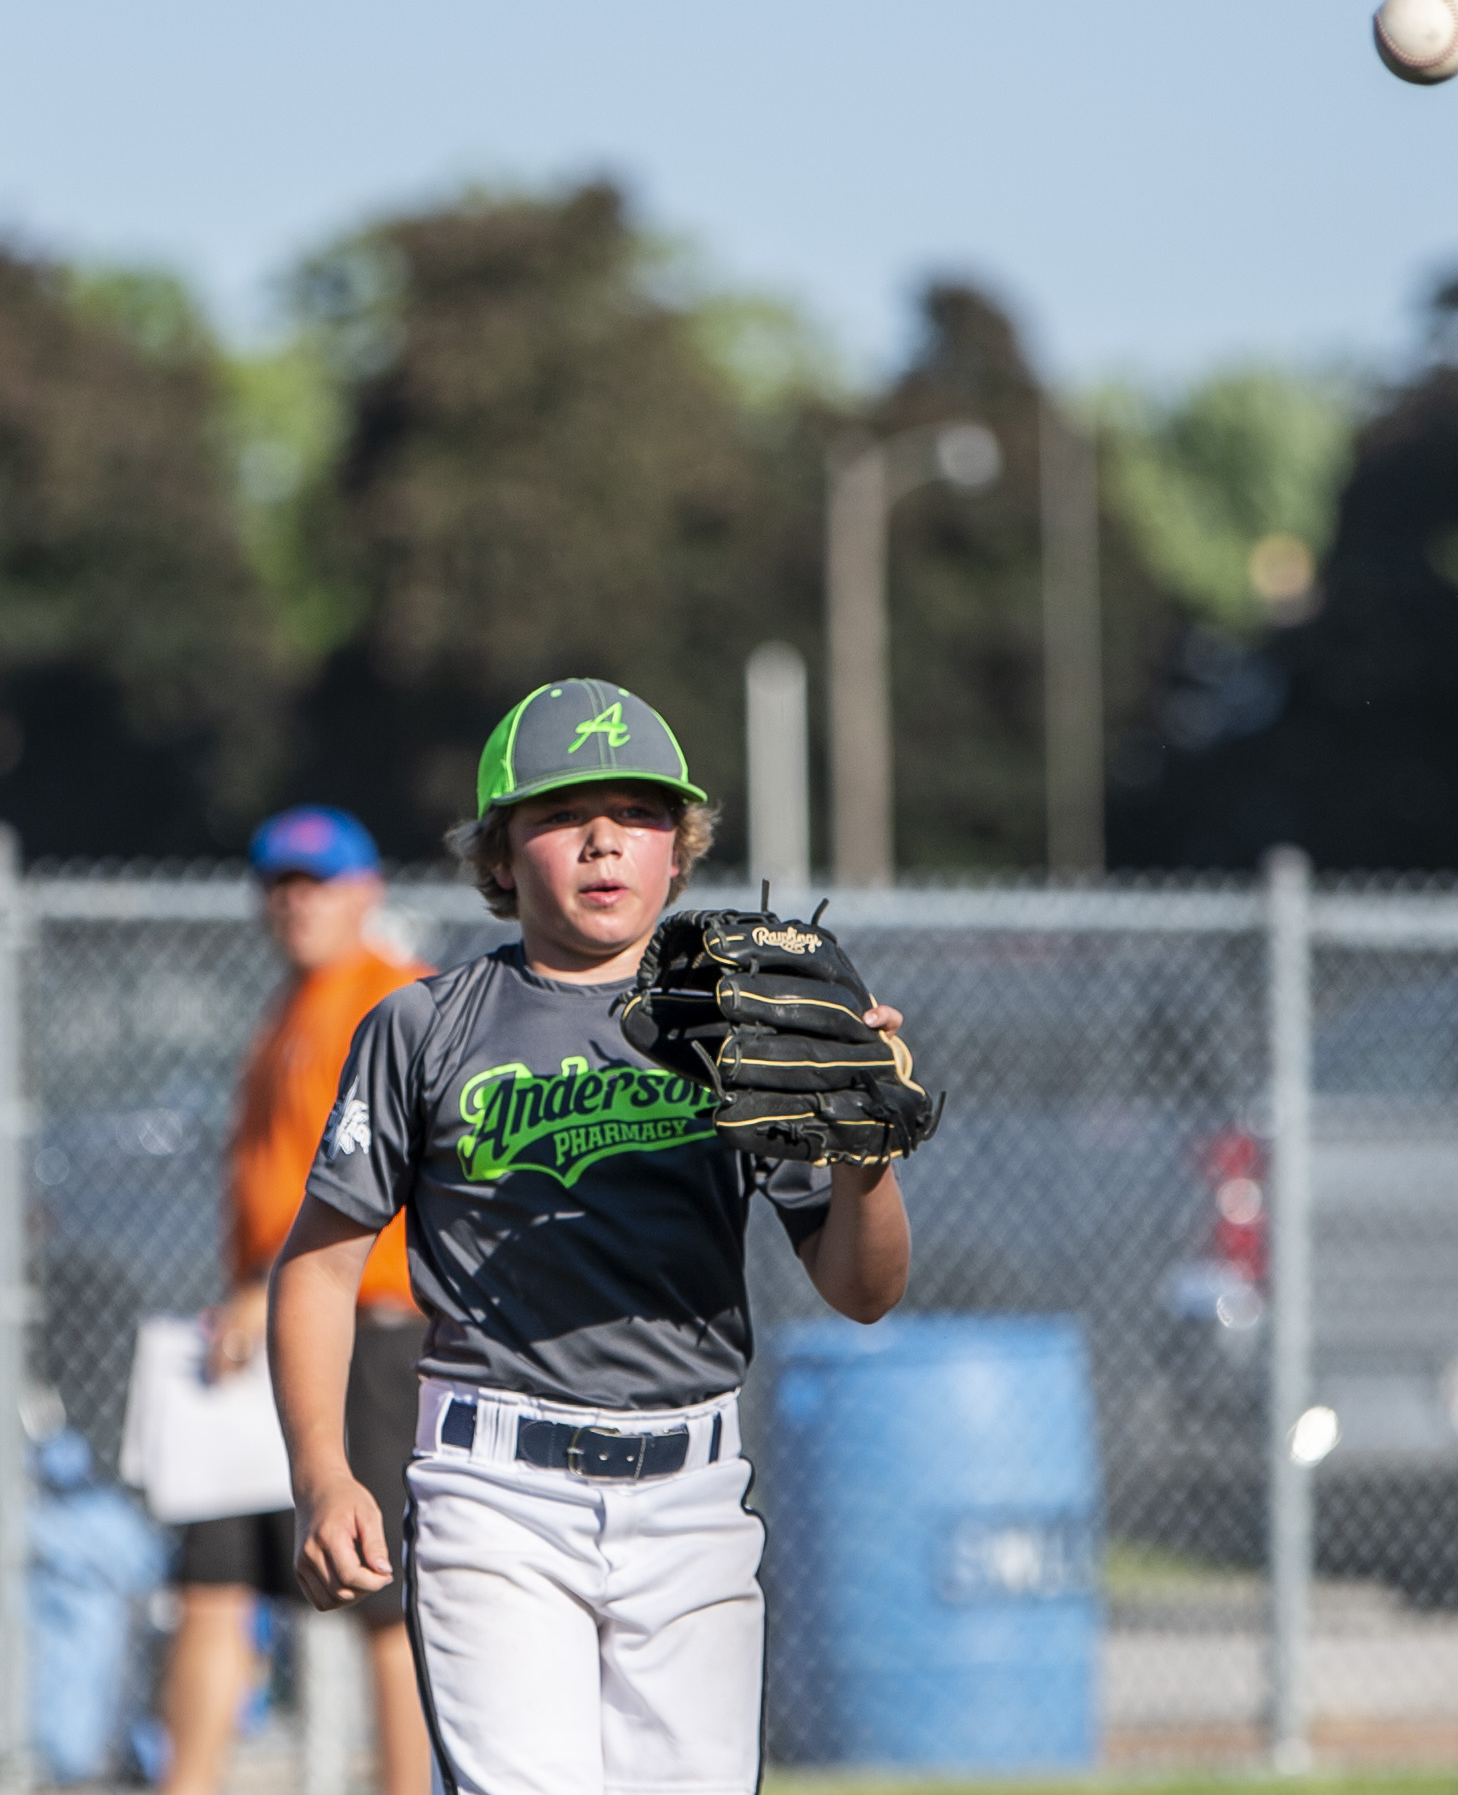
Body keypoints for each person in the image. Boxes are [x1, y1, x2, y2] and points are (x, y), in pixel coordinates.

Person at [265, 678, 914, 1795]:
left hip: (694, 1496)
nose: (607, 838)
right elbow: (317, 1272)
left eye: (643, 812)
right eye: (565, 812)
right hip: (493, 1492)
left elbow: (863, 1289)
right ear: (501, 854)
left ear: (681, 850)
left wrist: (864, 1156)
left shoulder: (745, 1027)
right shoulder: (425, 1028)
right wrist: (323, 1474)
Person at [161, 806, 430, 1795]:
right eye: (278, 883)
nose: (294, 901)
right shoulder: (284, 1013)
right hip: (265, 1329)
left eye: (316, 881)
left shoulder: (392, 1002)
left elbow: (379, 1194)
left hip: (369, 1329)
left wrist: (262, 1288)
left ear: (366, 891)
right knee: (212, 1577)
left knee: (386, 1596)